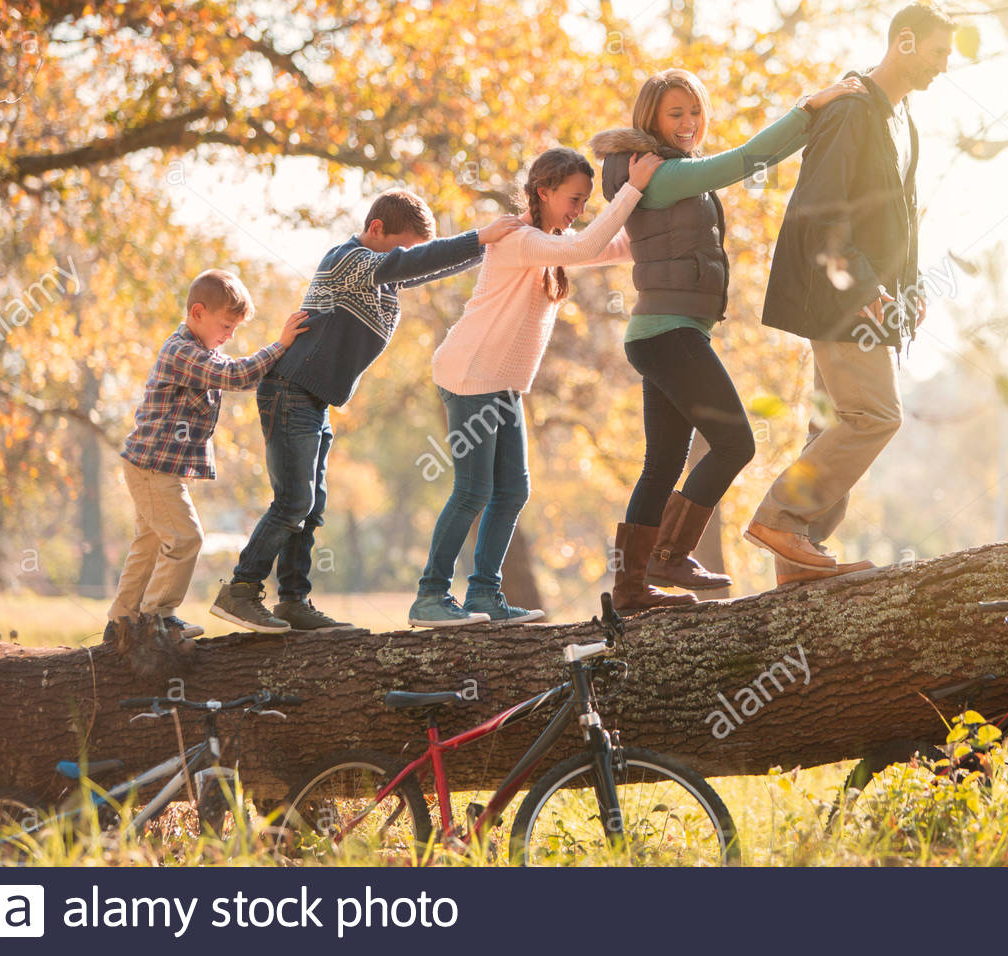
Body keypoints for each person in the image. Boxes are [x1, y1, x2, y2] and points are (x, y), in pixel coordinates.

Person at [590, 69, 863, 612]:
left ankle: (630, 590)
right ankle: (669, 554)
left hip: (666, 333)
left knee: (662, 465)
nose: (688, 124)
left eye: (694, 112)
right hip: (666, 334)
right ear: (652, 119)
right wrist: (811, 107)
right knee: (737, 442)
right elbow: (746, 159)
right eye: (675, 114)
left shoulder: (664, 173)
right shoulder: (660, 173)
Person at [210, 191, 523, 633]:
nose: (407, 258)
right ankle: (240, 590)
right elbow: (410, 263)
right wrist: (479, 235)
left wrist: (490, 245)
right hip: (289, 390)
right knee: (293, 501)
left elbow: (427, 264)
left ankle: (293, 601)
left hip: (313, 399)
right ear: (376, 230)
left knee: (311, 506)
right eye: (402, 247)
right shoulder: (348, 259)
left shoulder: (384, 274)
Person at [746, 3, 955, 586]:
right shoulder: (850, 109)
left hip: (874, 300)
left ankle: (797, 558)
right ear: (906, 42)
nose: (944, 67)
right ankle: (781, 519)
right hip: (839, 295)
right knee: (874, 416)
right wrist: (861, 287)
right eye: (939, 52)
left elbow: (902, 218)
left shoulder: (902, 118)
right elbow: (820, 209)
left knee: (832, 423)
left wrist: (906, 292)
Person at [409, 148, 663, 627]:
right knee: (473, 490)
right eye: (573, 199)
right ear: (543, 192)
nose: (578, 211)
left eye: (586, 202)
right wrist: (631, 189)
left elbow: (606, 247)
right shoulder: (519, 239)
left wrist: (661, 225)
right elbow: (587, 247)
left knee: (512, 491)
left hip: (502, 385)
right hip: (471, 375)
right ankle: (430, 596)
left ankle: (484, 594)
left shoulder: (547, 242)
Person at [107, 269, 308, 640]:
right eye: (226, 325)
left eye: (234, 330)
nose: (230, 336)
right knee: (186, 538)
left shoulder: (201, 351)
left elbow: (237, 376)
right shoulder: (181, 351)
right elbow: (235, 376)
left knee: (149, 544)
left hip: (154, 467)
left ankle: (121, 624)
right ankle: (157, 620)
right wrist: (279, 346)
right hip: (152, 468)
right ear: (197, 313)